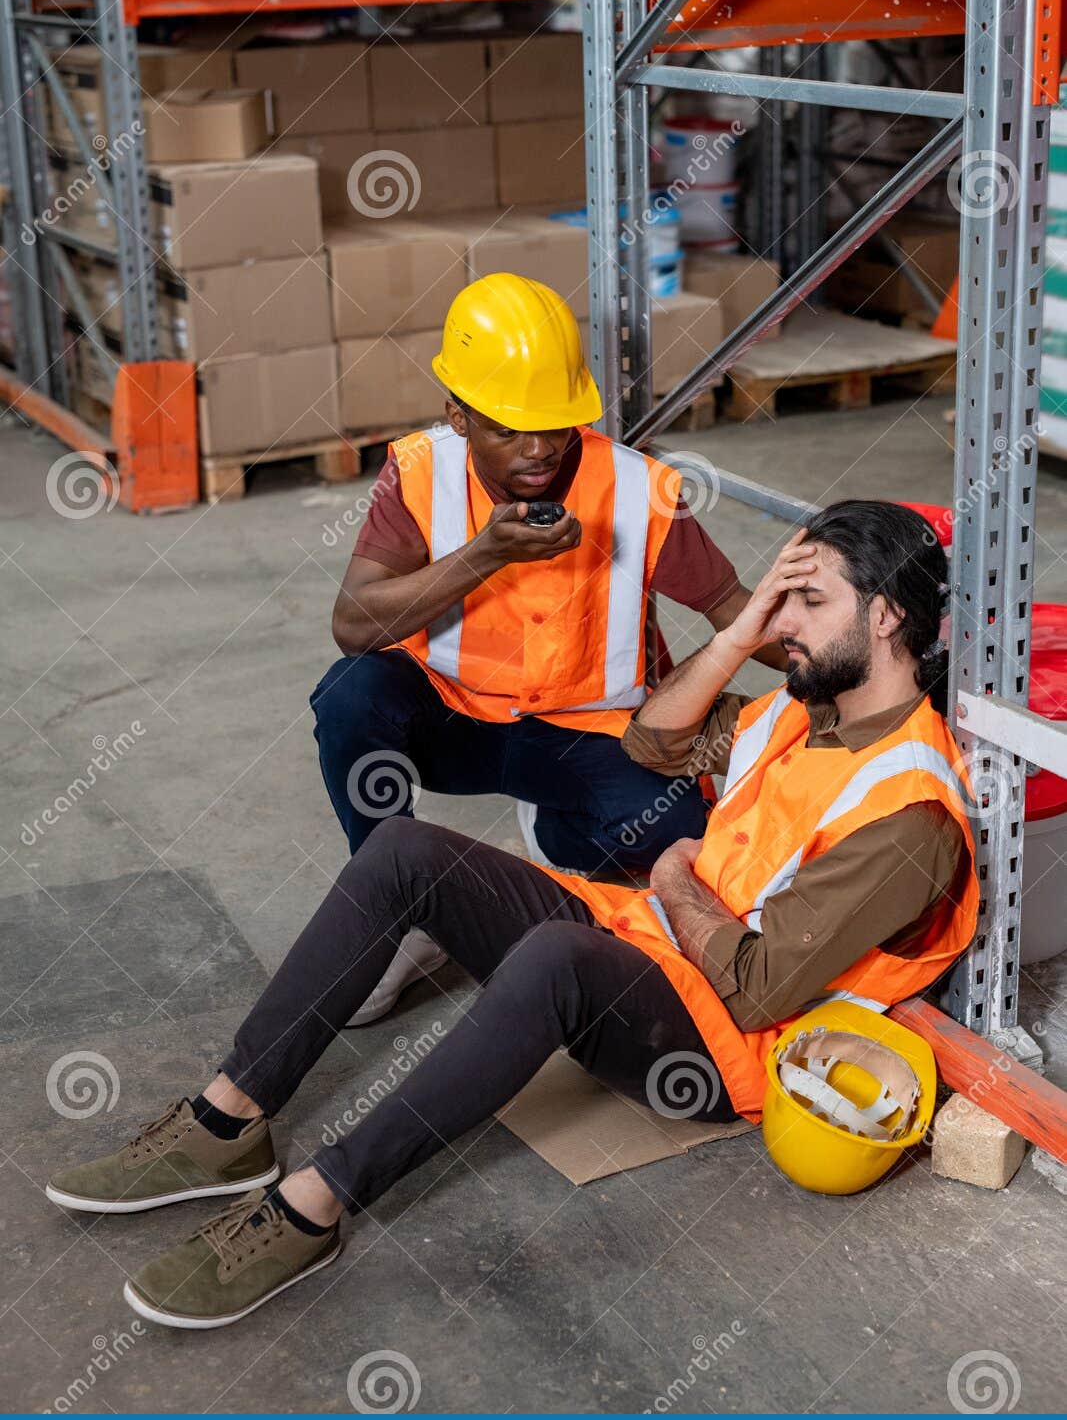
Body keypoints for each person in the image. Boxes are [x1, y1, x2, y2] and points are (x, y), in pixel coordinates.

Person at [47, 500, 978, 1331]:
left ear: (887, 613)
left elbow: (752, 988)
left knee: (555, 958)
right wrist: (737, 635)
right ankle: (227, 1119)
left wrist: (677, 879)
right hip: (651, 936)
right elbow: (655, 741)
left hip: (721, 1046)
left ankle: (310, 1205)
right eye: (780, 601)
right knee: (403, 852)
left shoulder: (908, 814)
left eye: (806, 604)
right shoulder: (798, 710)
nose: (783, 627)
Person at [312, 272, 781, 1024]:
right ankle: (399, 918)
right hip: (452, 723)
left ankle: (556, 831)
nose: (537, 450)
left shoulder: (638, 490)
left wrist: (856, 667)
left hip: (582, 734)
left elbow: (735, 610)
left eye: (555, 425)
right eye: (507, 428)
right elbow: (353, 623)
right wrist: (484, 555)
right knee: (351, 694)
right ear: (458, 415)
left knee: (677, 837)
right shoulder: (419, 470)